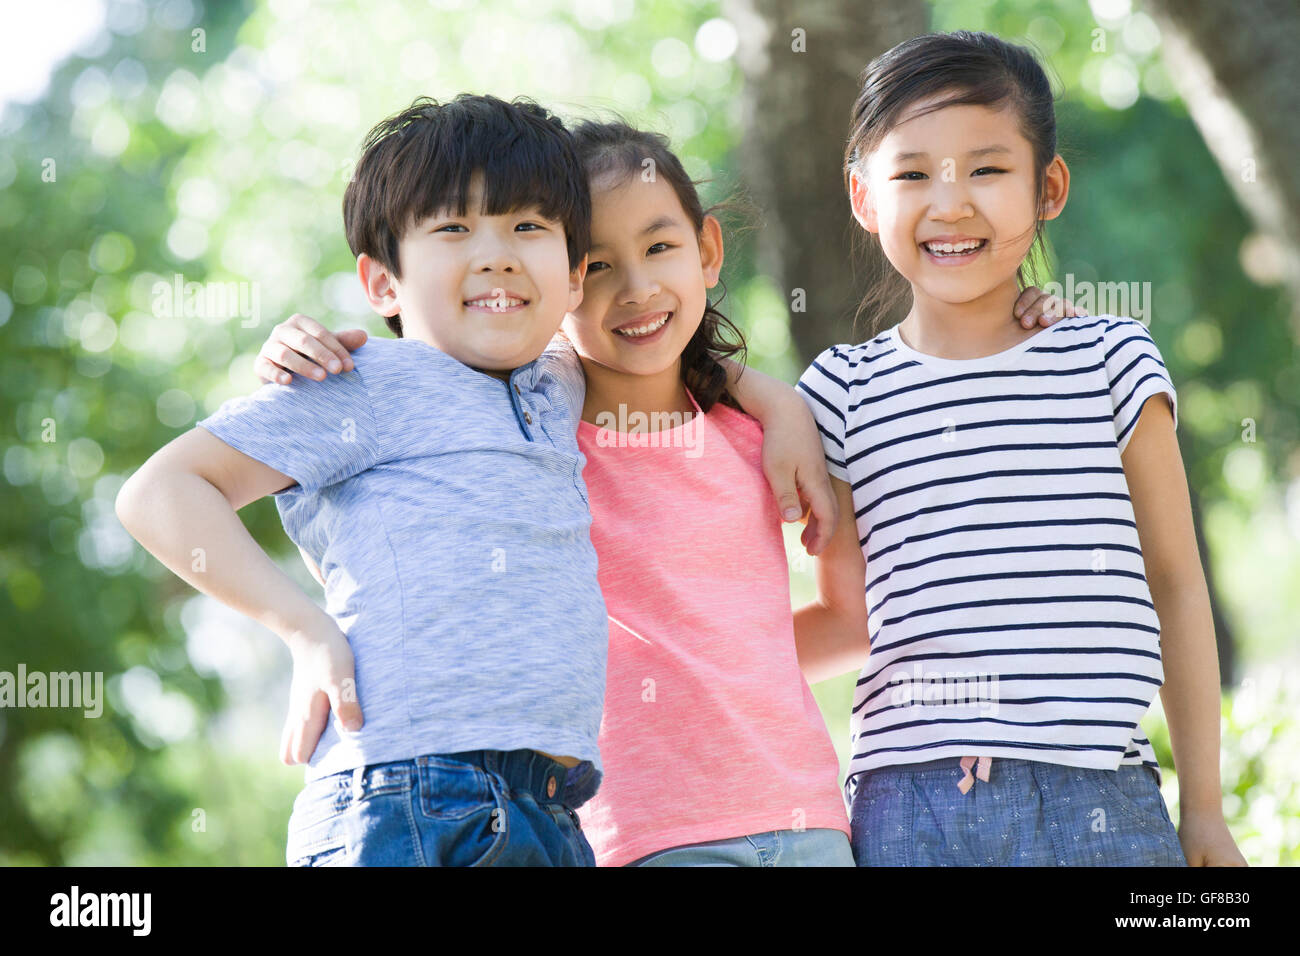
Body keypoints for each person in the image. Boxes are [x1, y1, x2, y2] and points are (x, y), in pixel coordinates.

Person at [256, 112, 1077, 866]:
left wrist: (774, 401)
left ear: (708, 249)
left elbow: (853, 621)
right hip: (642, 832)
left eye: (659, 248)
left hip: (808, 818)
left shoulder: (767, 433)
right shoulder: (534, 436)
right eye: (598, 266)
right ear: (561, 280)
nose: (637, 289)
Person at [117, 93, 611, 866]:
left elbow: (678, 356)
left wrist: (774, 406)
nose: (497, 254)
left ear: (575, 276)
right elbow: (160, 492)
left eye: (528, 226)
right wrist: (302, 628)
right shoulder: (365, 379)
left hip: (548, 809)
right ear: (382, 284)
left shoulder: (564, 385)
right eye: (453, 228)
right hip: (406, 796)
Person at [794, 31, 1246, 866]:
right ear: (863, 197)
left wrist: (1206, 809)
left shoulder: (1109, 360)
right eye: (913, 173)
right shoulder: (836, 393)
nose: (952, 202)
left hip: (1102, 792)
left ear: (1050, 187)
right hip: (909, 804)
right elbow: (840, 613)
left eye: (988, 168)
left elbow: (1179, 587)